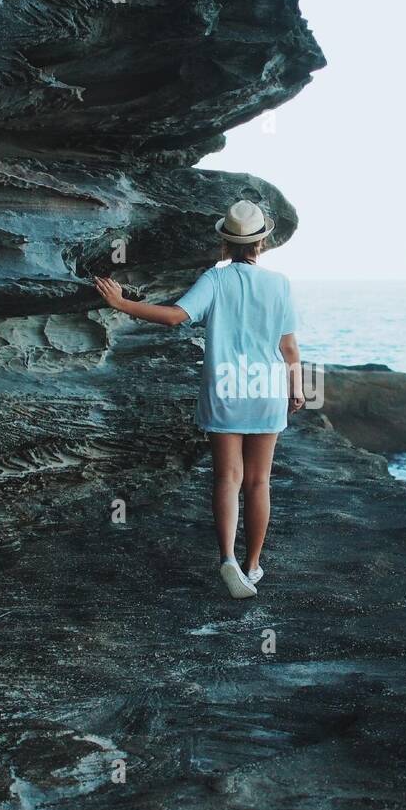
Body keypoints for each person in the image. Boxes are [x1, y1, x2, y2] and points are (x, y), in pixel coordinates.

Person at [94, 200, 304, 599]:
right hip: (266, 389)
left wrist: (121, 304)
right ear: (261, 243)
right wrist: (296, 387)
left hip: (224, 389)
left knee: (228, 478)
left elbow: (176, 316)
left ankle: (227, 558)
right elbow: (289, 348)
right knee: (259, 481)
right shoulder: (280, 284)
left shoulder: (215, 279)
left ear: (225, 243)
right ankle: (254, 566)